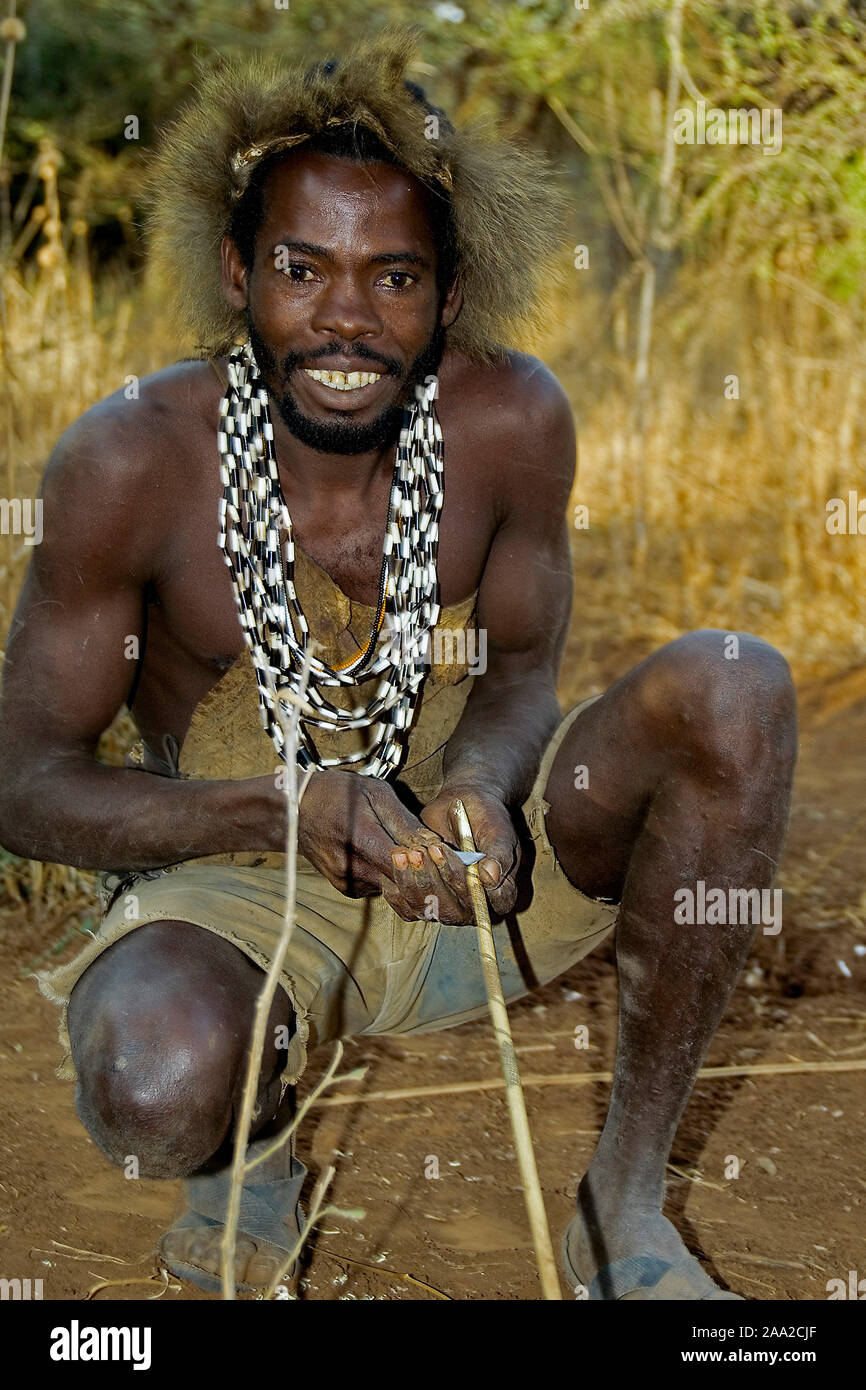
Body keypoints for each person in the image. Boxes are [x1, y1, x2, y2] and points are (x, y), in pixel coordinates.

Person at [0, 31, 796, 1298]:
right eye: (301, 268)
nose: (345, 319)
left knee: (733, 677)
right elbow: (24, 782)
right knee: (156, 1085)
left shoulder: (512, 420)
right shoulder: (132, 458)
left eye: (393, 277)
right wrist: (278, 803)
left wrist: (479, 783)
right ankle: (244, 1149)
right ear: (236, 270)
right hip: (240, 879)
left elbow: (524, 671)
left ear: (450, 290)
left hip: (472, 874)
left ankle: (621, 1209)